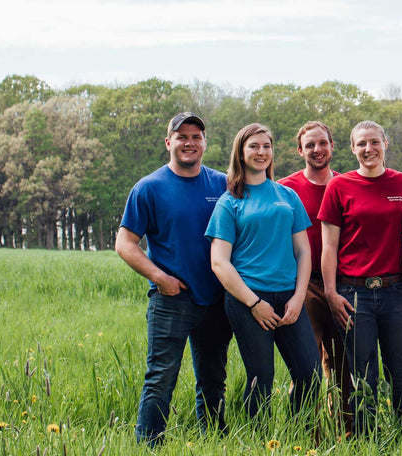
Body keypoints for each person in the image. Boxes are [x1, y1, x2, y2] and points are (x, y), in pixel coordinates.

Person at [115, 112, 232, 445]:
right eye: (182, 136)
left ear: (205, 143)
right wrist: (158, 276)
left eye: (196, 136)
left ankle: (214, 442)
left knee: (213, 379)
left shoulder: (222, 184)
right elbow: (125, 243)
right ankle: (149, 443)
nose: (189, 143)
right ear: (169, 143)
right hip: (172, 299)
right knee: (161, 378)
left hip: (216, 299)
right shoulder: (149, 188)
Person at [205, 123, 321, 422]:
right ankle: (259, 441)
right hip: (249, 301)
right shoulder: (229, 202)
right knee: (262, 378)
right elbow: (220, 262)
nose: (261, 152)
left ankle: (299, 434)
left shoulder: (287, 196)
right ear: (241, 153)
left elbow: (303, 252)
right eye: (254, 146)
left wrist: (298, 298)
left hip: (290, 298)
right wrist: (254, 304)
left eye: (266, 146)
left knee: (311, 375)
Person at [318, 120, 402, 434]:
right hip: (353, 293)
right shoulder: (340, 186)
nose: (368, 149)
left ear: (385, 144)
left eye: (374, 142)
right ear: (352, 148)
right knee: (363, 375)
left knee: (400, 371)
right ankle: (367, 440)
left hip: (396, 292)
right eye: (361, 144)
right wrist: (332, 293)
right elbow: (329, 246)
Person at [278, 121, 353, 431]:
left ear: (332, 146)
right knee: (306, 364)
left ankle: (347, 431)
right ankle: (306, 433)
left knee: (344, 365)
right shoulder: (285, 188)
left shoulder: (349, 184)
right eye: (309, 145)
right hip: (303, 285)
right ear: (300, 151)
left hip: (343, 283)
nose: (317, 149)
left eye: (322, 143)